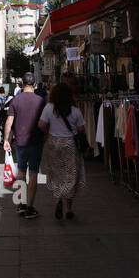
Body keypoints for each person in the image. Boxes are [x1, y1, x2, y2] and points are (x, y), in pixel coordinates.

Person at [38, 81, 86, 221]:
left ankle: (58, 197)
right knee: (70, 176)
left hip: (53, 143)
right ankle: (69, 208)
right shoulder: (75, 110)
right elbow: (82, 129)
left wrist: (49, 131)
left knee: (57, 173)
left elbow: (41, 125)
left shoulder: (49, 108)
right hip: (70, 145)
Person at [3, 73, 45, 220]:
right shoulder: (41, 101)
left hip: (20, 142)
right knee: (33, 173)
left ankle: (20, 204)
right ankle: (30, 207)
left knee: (21, 171)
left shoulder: (16, 100)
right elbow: (45, 122)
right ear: (34, 84)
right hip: (36, 142)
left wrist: (6, 139)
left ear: (22, 84)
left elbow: (9, 122)